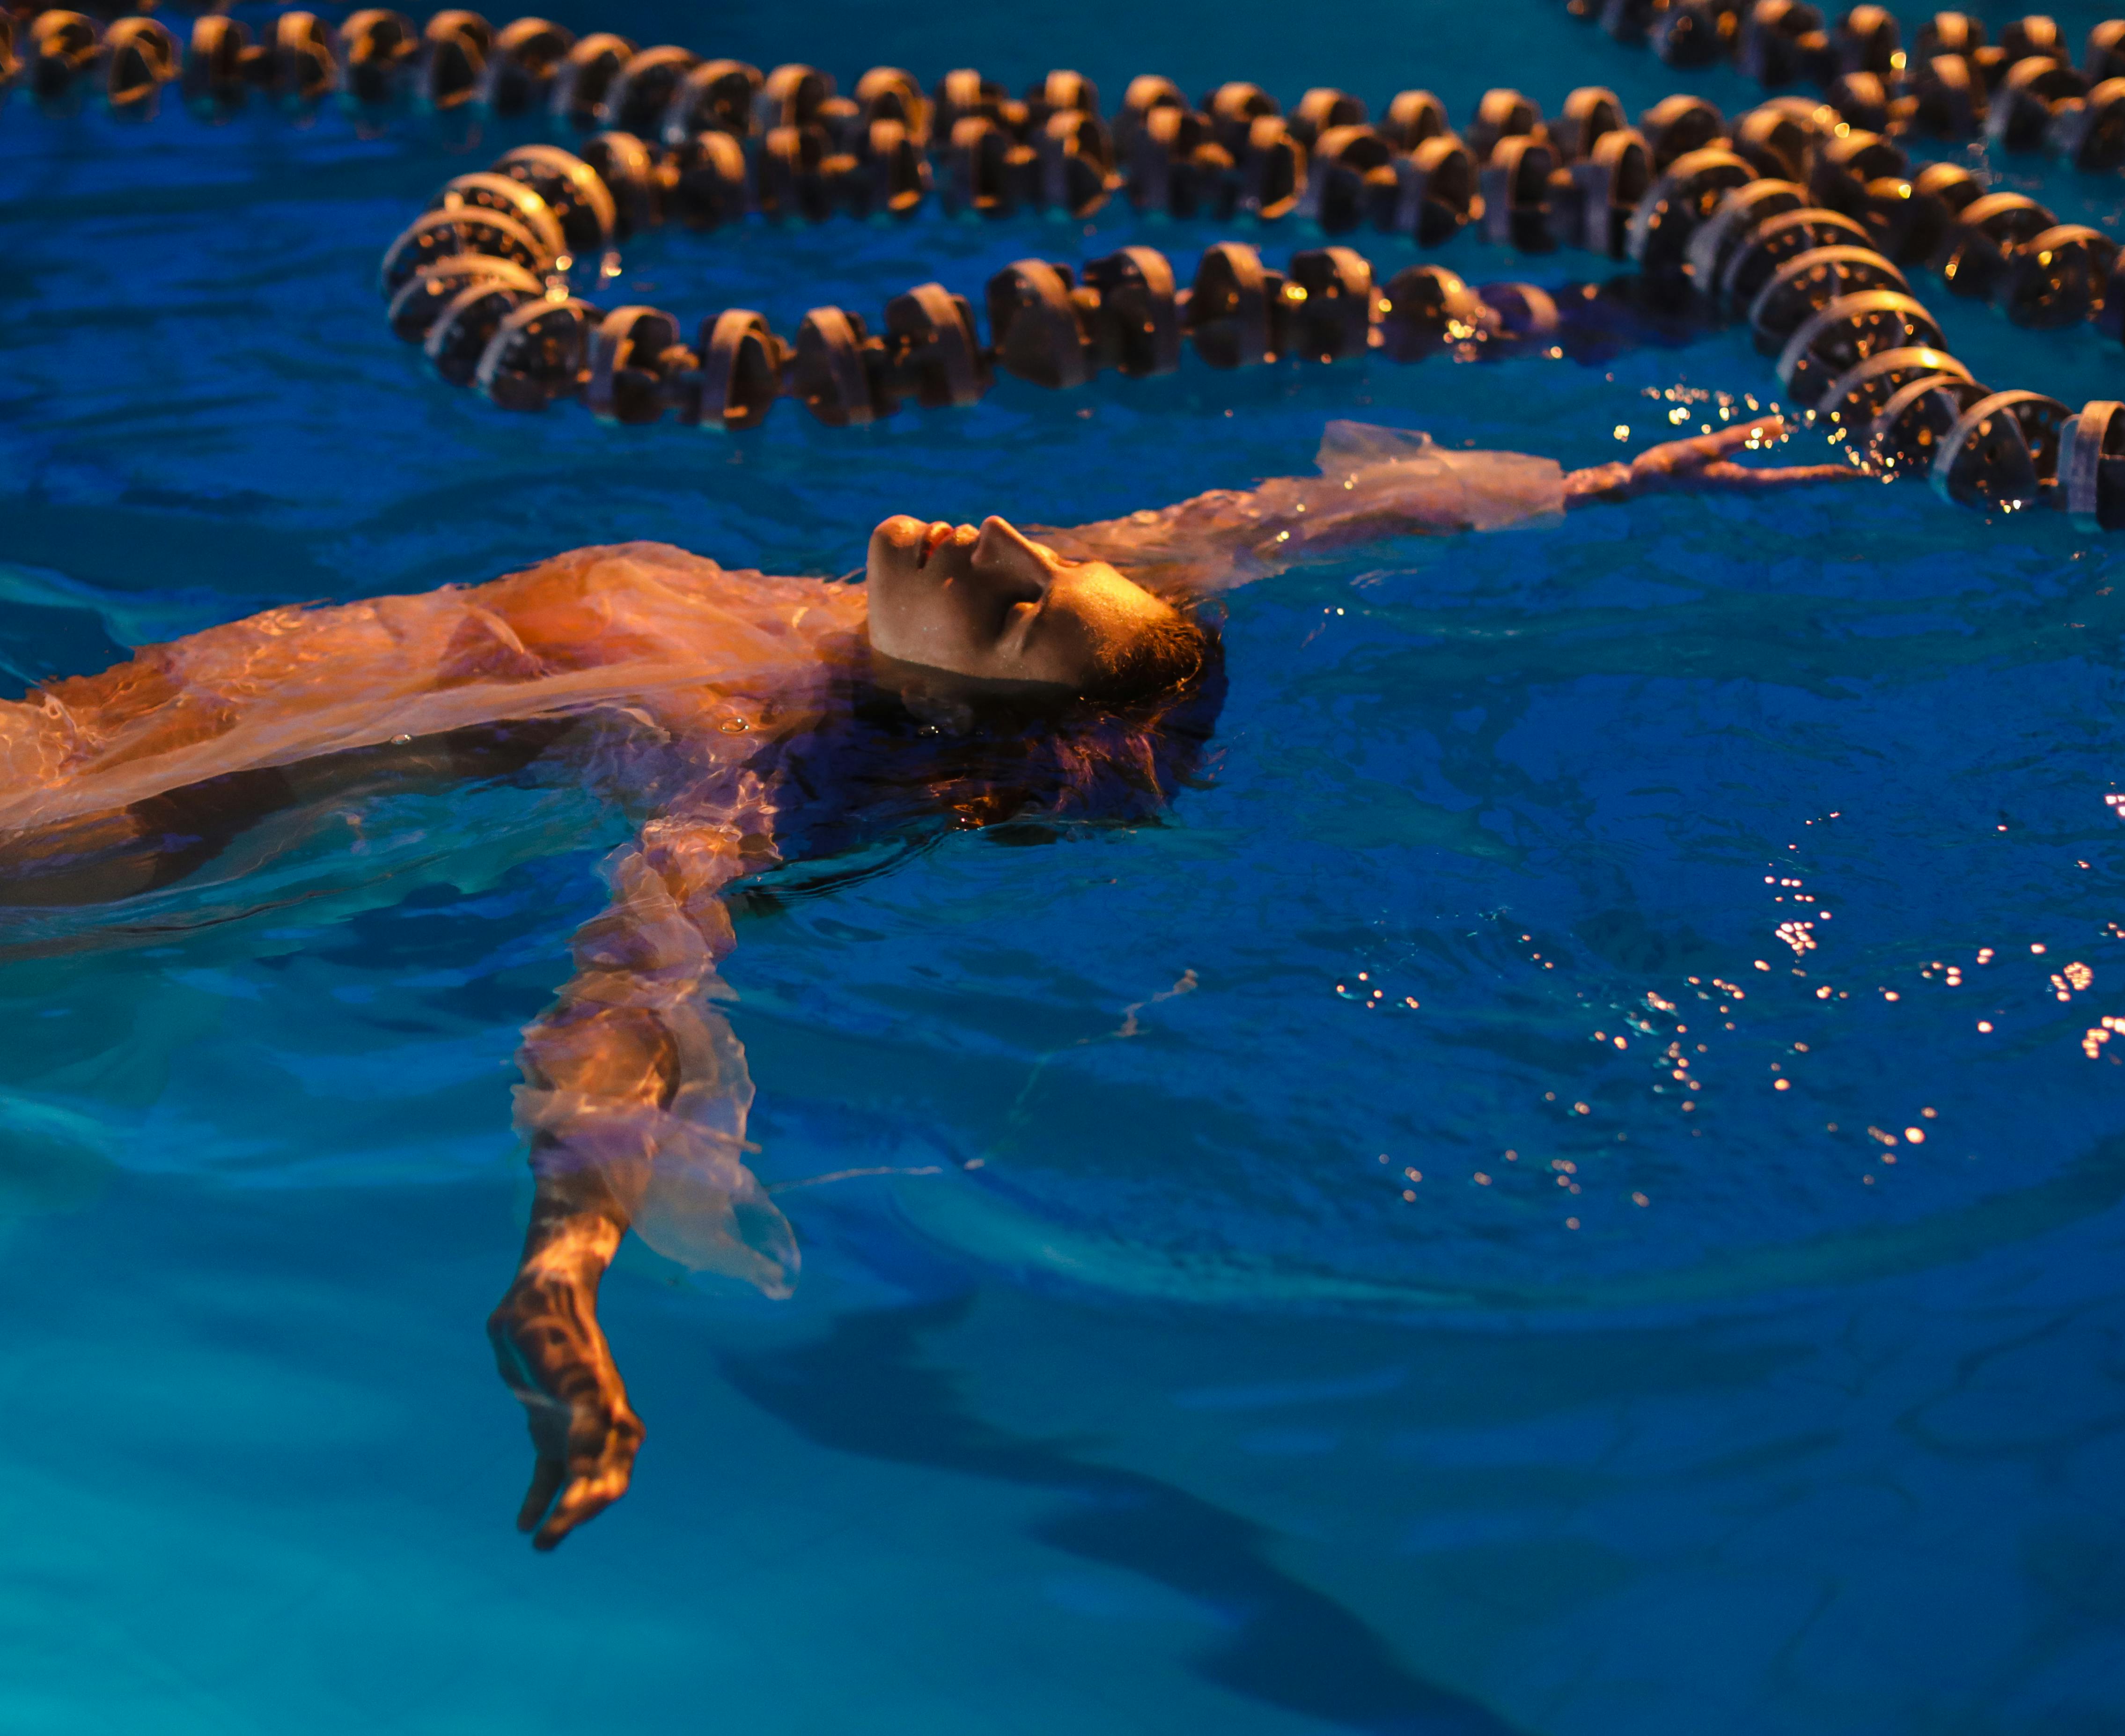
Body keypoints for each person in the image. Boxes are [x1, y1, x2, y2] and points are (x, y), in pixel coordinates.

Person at [0, 416, 1865, 1547]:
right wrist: (1602, 481)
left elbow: (637, 991)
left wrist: (567, 1251)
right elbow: (1244, 531)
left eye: (1027, 601)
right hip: (90, 733)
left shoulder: (736, 759)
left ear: (977, 705)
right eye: (1055, 566)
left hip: (71, 854)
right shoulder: (881, 623)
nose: (1010, 544)